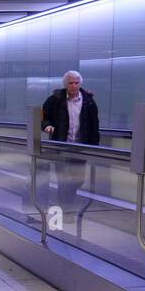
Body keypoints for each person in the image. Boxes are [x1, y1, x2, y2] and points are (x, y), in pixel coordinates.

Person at [38, 70, 100, 215]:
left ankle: (65, 205)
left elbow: (94, 125)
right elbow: (43, 115)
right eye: (71, 83)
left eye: (77, 83)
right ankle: (65, 211)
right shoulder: (55, 99)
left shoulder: (89, 101)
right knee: (64, 180)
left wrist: (95, 147)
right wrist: (46, 125)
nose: (74, 86)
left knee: (78, 180)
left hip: (80, 148)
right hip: (61, 147)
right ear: (65, 84)